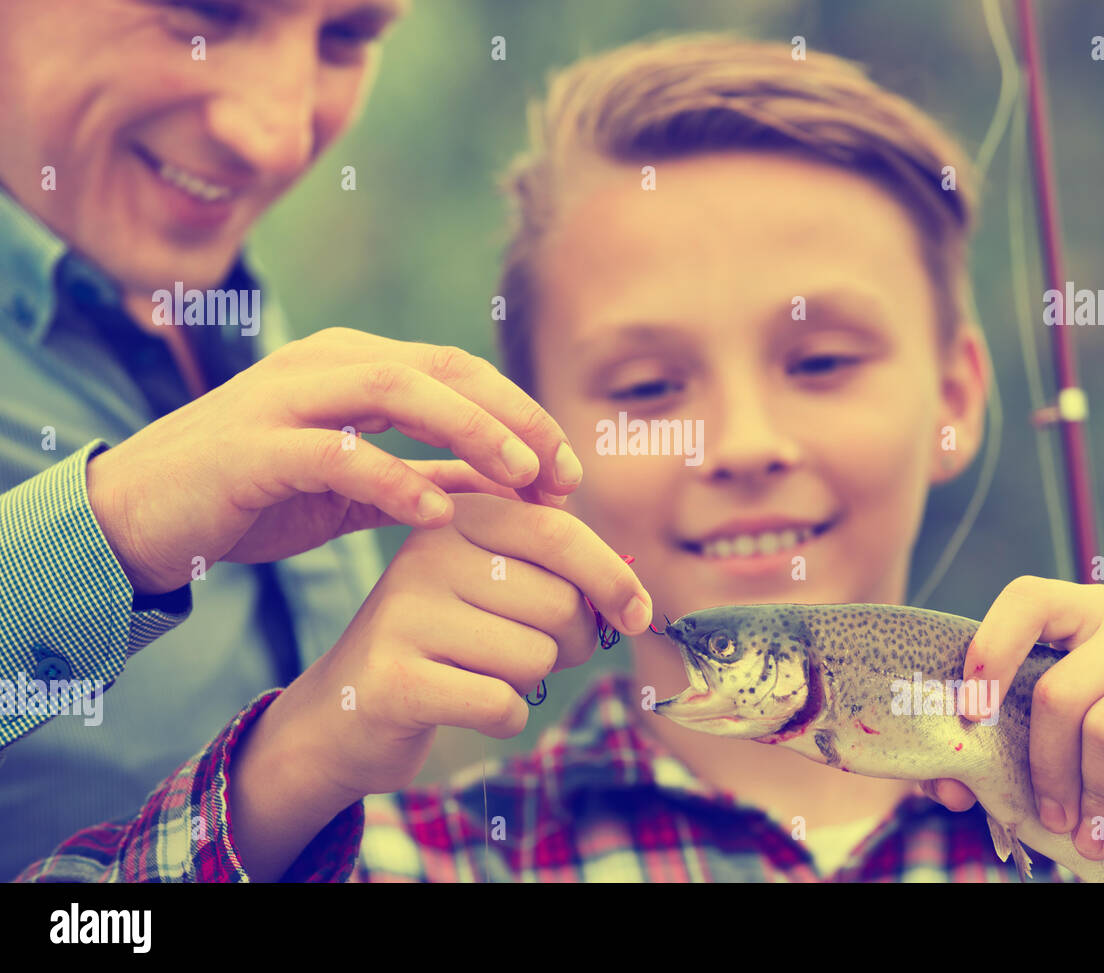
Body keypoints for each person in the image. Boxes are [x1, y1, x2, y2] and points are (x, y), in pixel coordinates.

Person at [16, 34, 1104, 883]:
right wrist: (293, 762)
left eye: (821, 362)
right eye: (645, 386)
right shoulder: (413, 853)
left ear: (958, 392)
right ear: (529, 436)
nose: (739, 443)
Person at [0, 0, 645, 880]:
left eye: (347, 38)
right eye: (203, 16)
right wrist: (114, 531)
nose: (273, 134)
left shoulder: (242, 328)